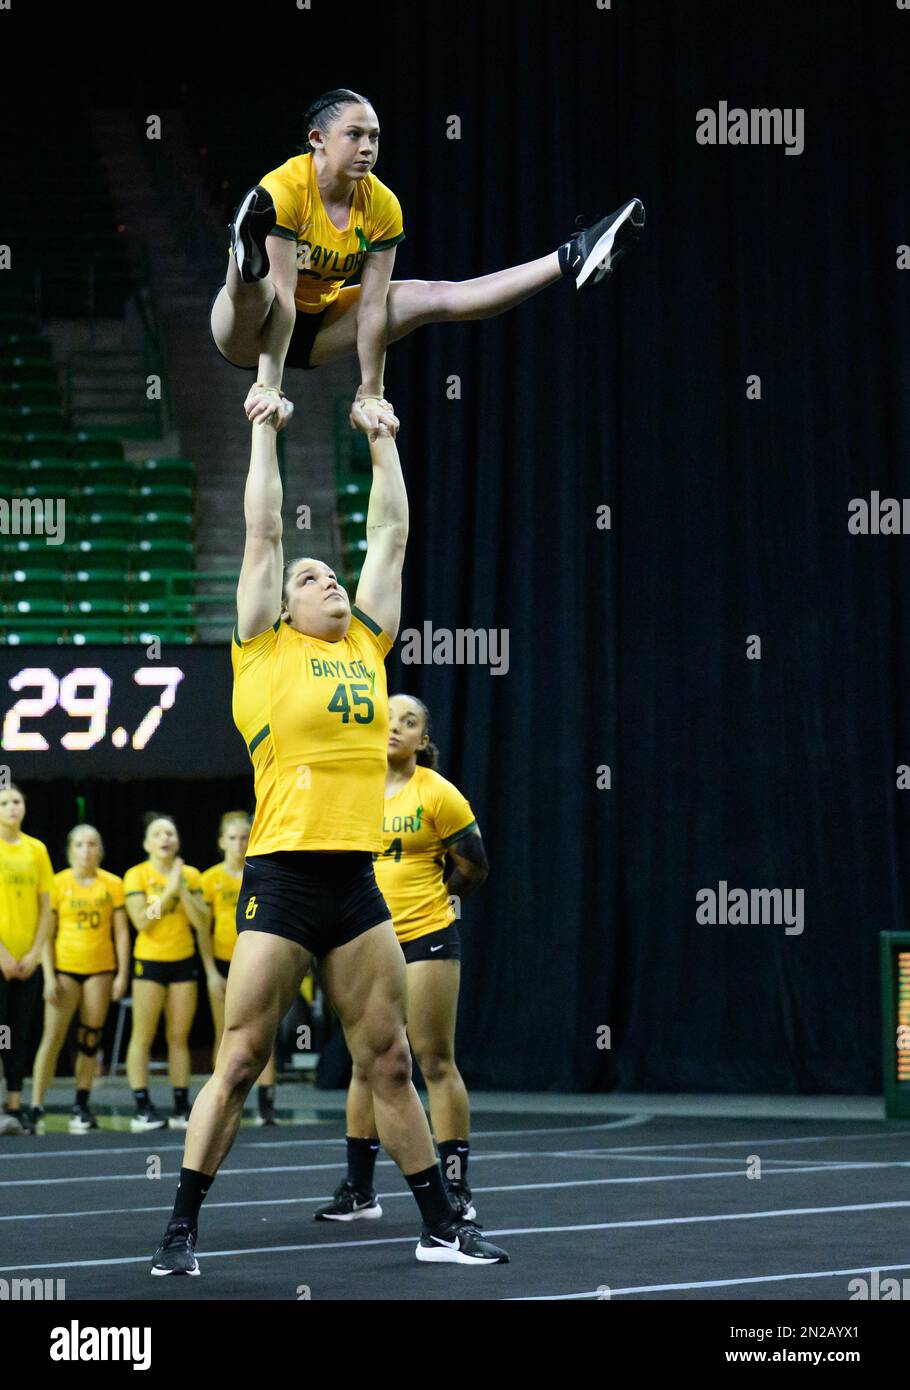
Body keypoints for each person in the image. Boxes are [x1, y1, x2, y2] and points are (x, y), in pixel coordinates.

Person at [150, 410, 508, 1275]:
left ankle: (439, 1227)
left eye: (331, 574)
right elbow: (265, 527)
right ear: (283, 602)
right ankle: (179, 1233)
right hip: (280, 879)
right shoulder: (260, 651)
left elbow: (390, 531)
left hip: (355, 884)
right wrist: (264, 430)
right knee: (239, 1058)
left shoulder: (366, 646)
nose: (329, 580)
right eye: (312, 578)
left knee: (388, 1059)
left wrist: (385, 437)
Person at [210, 87, 645, 435]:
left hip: (318, 329)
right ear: (317, 139)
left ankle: (569, 257)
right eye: (354, 134)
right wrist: (267, 386)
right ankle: (245, 253)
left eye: (374, 137)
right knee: (262, 290)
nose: (367, 147)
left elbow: (374, 309)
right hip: (246, 331)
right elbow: (285, 301)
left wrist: (371, 394)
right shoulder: (284, 189)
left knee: (427, 296)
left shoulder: (381, 204)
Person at [317, 695, 488, 1223]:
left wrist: (435, 900)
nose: (394, 728)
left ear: (423, 738)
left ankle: (455, 1189)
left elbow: (474, 866)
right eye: (386, 720)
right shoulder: (350, 792)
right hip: (365, 941)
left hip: (425, 937)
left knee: (434, 1062)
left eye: (408, 722)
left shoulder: (438, 793)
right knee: (365, 1066)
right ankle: (359, 1190)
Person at [30, 824, 130, 1134]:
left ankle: (81, 1104)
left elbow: (122, 932)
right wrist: (48, 976)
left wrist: (122, 974)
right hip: (64, 970)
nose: (86, 850)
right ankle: (35, 1106)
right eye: (80, 845)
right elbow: (47, 933)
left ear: (100, 850)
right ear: (70, 849)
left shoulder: (112, 885)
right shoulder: (58, 884)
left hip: (99, 969)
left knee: (90, 1039)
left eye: (92, 844)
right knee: (52, 1037)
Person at [123, 815, 213, 1131]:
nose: (165, 838)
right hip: (149, 962)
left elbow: (202, 923)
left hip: (182, 961)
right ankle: (142, 1105)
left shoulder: (190, 875)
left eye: (170, 833)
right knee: (143, 1036)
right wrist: (168, 891)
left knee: (178, 1037)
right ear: (147, 844)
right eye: (158, 833)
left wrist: (182, 888)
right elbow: (143, 922)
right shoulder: (137, 875)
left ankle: (180, 1105)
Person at [201, 811, 279, 1126]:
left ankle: (266, 1103)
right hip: (223, 962)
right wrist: (210, 972)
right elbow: (203, 930)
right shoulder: (210, 880)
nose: (238, 843)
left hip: (258, 962)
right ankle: (221, 1098)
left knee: (264, 1032)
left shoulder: (263, 872)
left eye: (244, 836)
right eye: (232, 838)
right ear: (221, 842)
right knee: (226, 1033)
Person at [0, 783, 54, 1136]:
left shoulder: (37, 850)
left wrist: (34, 953)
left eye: (17, 801)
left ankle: (16, 1107)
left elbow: (45, 907)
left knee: (19, 1035)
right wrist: (2, 953)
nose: (11, 807)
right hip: (2, 960)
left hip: (27, 962)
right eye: (4, 802)